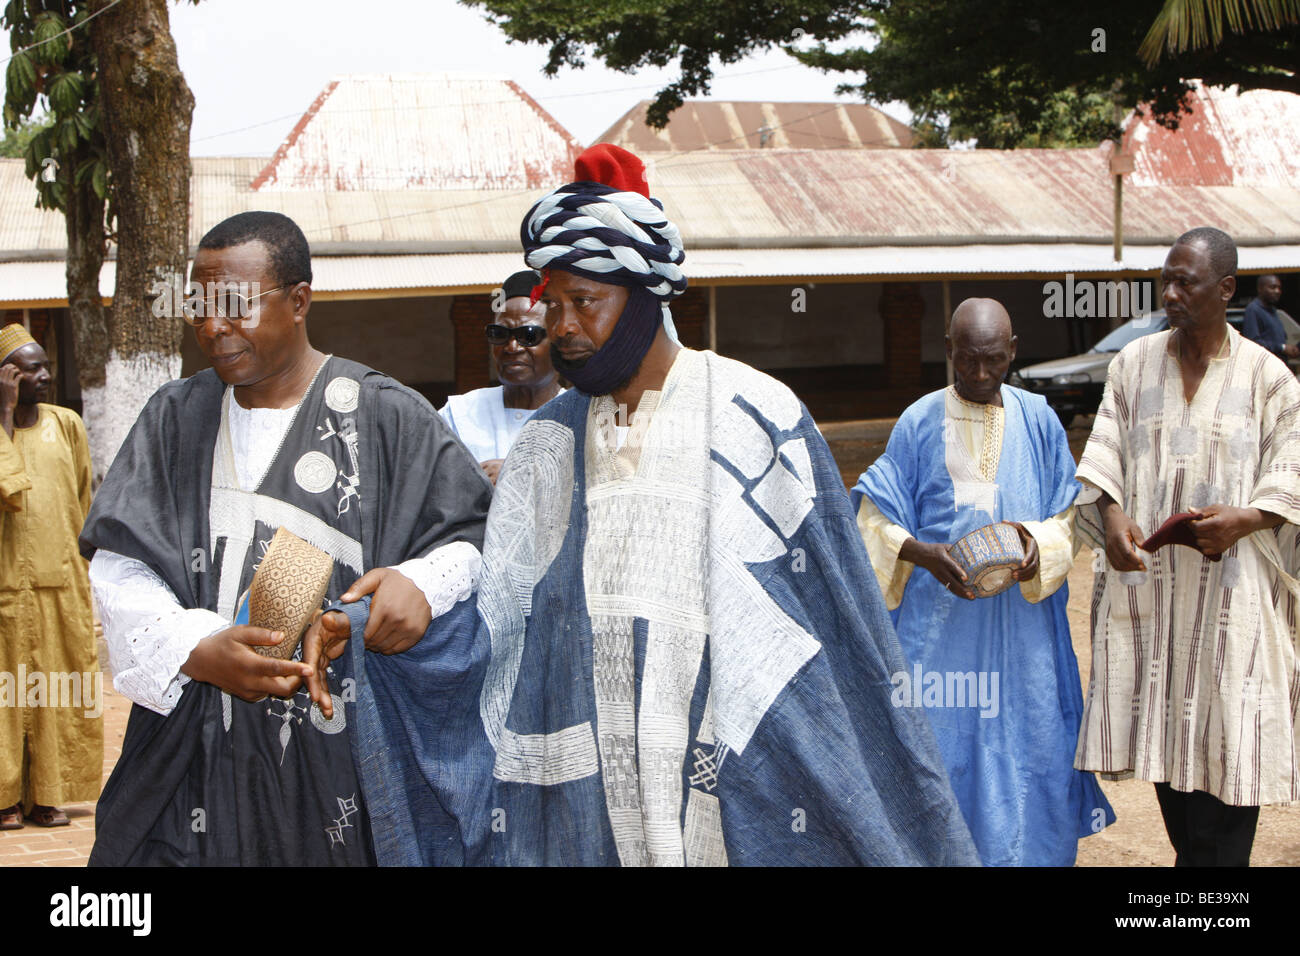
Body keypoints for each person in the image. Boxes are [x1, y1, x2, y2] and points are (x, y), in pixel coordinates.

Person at [304, 144, 979, 866]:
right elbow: (502, 622)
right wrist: (389, 614)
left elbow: (837, 627)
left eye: (583, 303)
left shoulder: (753, 416)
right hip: (586, 806)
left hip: (736, 793)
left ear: (647, 295)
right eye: (551, 305)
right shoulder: (547, 447)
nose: (561, 326)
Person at [79, 211, 493, 865]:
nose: (213, 328)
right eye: (200, 307)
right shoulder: (172, 420)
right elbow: (121, 564)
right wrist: (195, 646)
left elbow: (471, 538)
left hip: (345, 766)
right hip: (192, 760)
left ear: (299, 301)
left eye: (236, 307)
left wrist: (420, 583)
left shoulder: (387, 416)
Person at [851, 299, 1114, 866]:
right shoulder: (919, 421)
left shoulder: (1040, 420)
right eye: (966, 361)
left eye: (992, 361)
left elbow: (1069, 517)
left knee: (1033, 748)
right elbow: (872, 519)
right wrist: (920, 553)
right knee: (939, 753)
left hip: (1024, 640)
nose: (977, 374)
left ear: (1012, 352)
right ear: (948, 350)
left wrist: (1031, 545)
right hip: (938, 640)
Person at [1074, 226, 1300, 866]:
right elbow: (1104, 459)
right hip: (1155, 604)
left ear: (1225, 289)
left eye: (1186, 282)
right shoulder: (1131, 366)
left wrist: (1249, 518)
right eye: (1164, 280)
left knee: (1232, 744)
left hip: (1235, 606)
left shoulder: (1269, 380)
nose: (1169, 293)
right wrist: (1113, 519)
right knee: (1169, 746)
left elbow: (1294, 468)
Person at [0, 325, 101, 831]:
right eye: (29, 369)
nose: (44, 376)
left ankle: (49, 793)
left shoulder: (66, 424)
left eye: (45, 366)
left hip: (59, 585)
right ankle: (4, 797)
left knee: (56, 692)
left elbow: (82, 496)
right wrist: (2, 413)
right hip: (3, 592)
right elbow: (9, 486)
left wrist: (82, 566)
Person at [439, 270, 563, 484]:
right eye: (500, 334)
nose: (512, 347)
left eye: (529, 335)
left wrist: (519, 474)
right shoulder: (458, 416)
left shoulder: (581, 417)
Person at [1240, 274, 1297, 362]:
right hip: (1265, 367)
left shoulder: (1272, 310)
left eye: (1279, 288)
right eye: (1273, 287)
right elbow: (1253, 342)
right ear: (1260, 289)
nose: (1277, 291)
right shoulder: (1253, 310)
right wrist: (1282, 348)